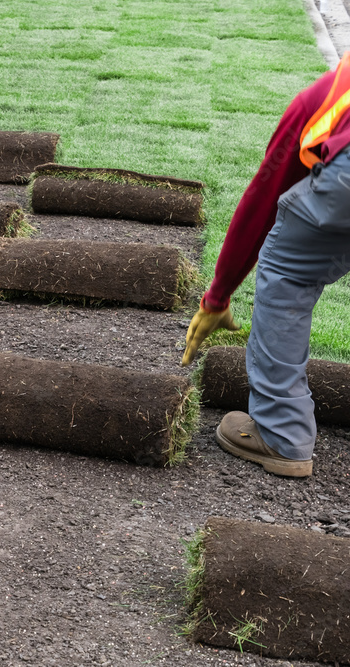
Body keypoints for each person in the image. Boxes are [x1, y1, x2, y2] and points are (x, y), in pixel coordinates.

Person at [181, 53, 350, 478]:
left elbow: (261, 203)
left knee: (291, 272)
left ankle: (281, 435)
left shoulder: (322, 96)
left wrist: (217, 295)